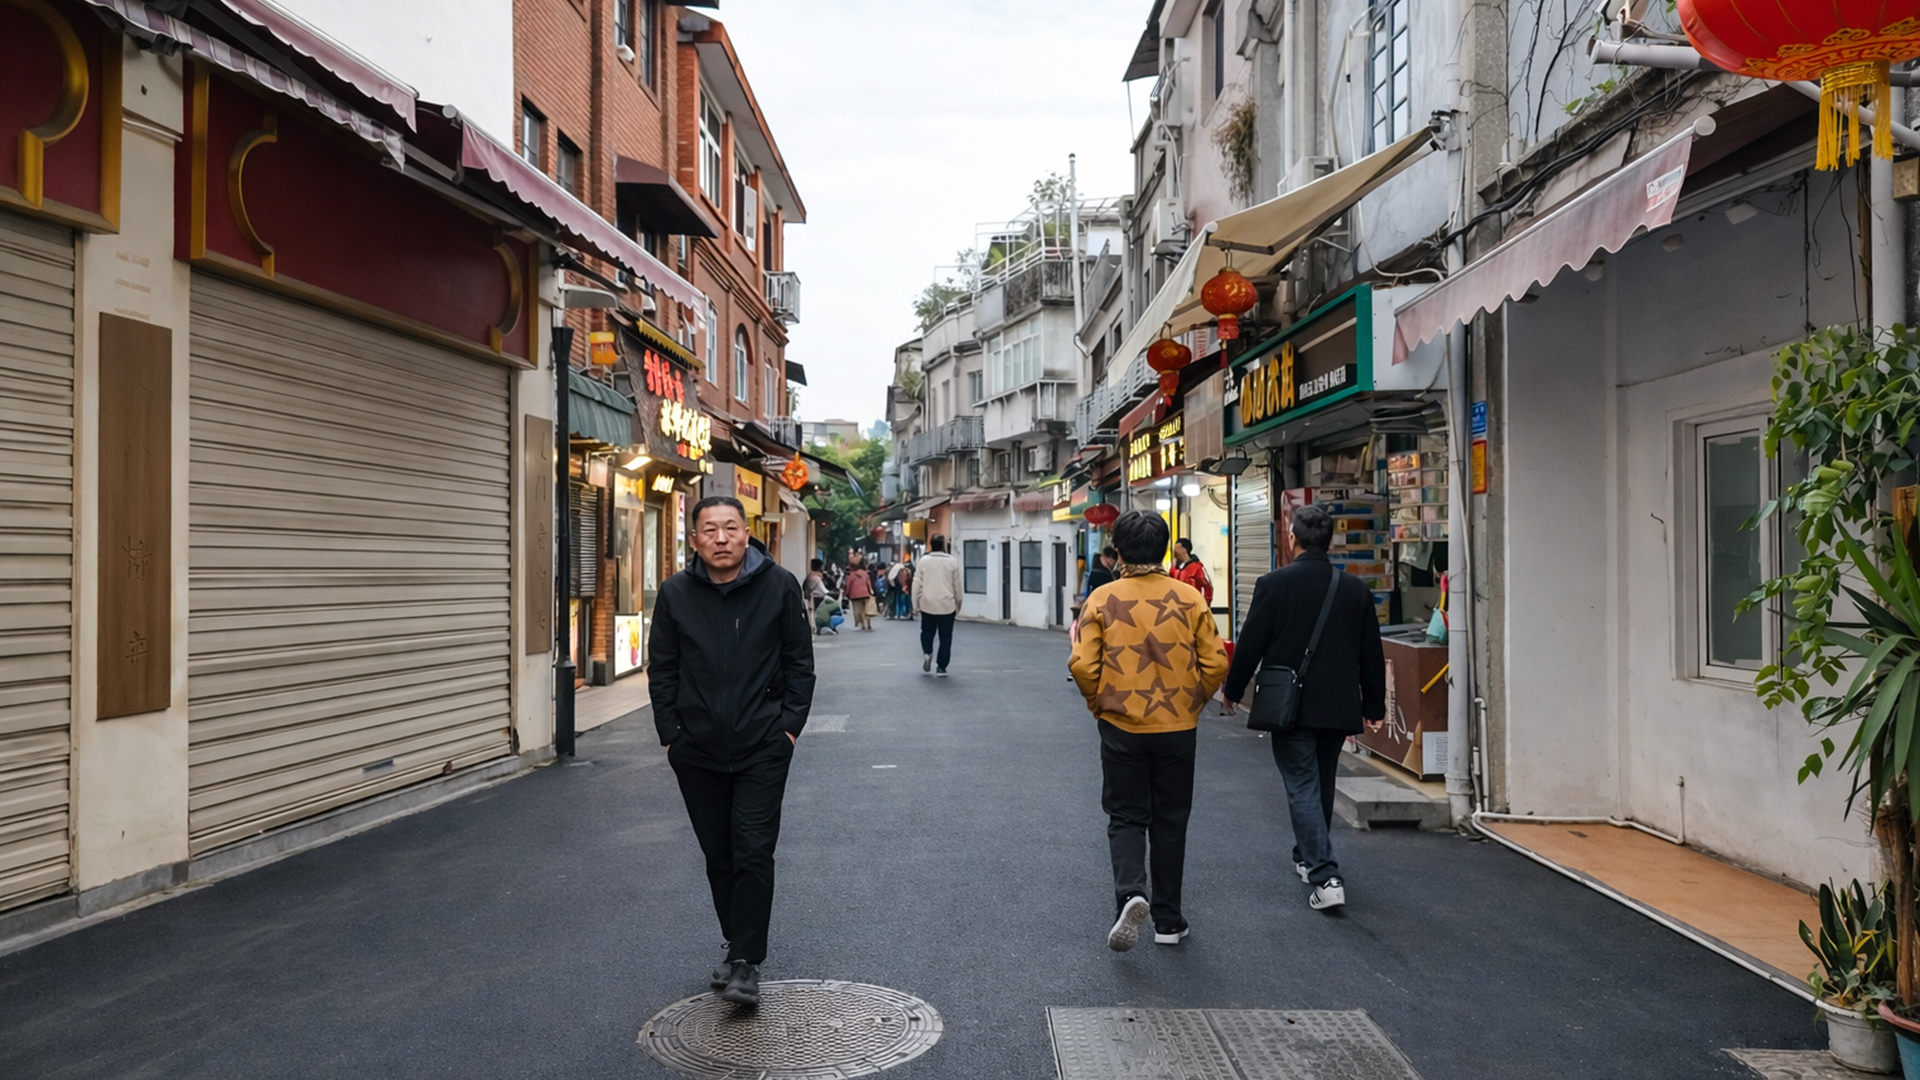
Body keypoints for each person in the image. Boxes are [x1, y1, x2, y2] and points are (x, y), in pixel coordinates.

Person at [648, 496, 816, 1006]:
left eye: (730, 527)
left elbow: (799, 664)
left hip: (762, 745)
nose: (721, 538)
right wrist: (672, 736)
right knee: (718, 853)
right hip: (696, 749)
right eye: (710, 529)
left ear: (747, 533)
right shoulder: (675, 593)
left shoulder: (779, 586)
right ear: (695, 538)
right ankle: (735, 941)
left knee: (752, 847)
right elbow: (663, 669)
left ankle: (746, 961)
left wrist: (787, 730)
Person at [1069, 511, 1229, 952]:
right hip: (1178, 727)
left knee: (1125, 815)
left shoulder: (1101, 599)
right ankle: (1168, 922)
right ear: (1164, 549)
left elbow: (1082, 665)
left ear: (1118, 551)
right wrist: (1194, 701)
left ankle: (1130, 893)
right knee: (1171, 819)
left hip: (1120, 725)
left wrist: (1099, 703)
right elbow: (1216, 662)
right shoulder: (1189, 598)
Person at [1221, 504, 1386, 912]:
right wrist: (1374, 704)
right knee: (1321, 782)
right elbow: (1371, 651)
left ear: (1291, 538)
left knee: (1301, 785)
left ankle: (1326, 876)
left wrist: (1232, 689)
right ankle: (1306, 855)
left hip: (1290, 706)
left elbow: (1251, 642)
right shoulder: (1355, 589)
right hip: (1339, 705)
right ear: (1328, 542)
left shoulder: (1273, 584)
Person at [912, 534, 962, 676]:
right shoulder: (952, 562)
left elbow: (917, 584)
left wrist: (915, 604)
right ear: (944, 545)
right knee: (945, 637)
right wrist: (958, 604)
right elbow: (957, 586)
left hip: (927, 604)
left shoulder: (923, 561)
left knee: (927, 632)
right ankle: (941, 667)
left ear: (931, 545)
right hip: (947, 605)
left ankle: (927, 652)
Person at [1169, 538, 1213, 605]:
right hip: (1176, 606)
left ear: (1185, 549)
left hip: (1193, 605)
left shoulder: (1197, 568)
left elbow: (1207, 587)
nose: (1175, 551)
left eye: (1177, 548)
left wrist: (1204, 604)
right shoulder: (1173, 569)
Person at [845, 555, 874, 631]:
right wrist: (870, 591)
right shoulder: (865, 573)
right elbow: (868, 583)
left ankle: (862, 624)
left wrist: (847, 594)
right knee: (866, 610)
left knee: (858, 610)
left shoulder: (851, 575)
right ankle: (868, 624)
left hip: (855, 595)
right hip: (865, 593)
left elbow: (848, 585)